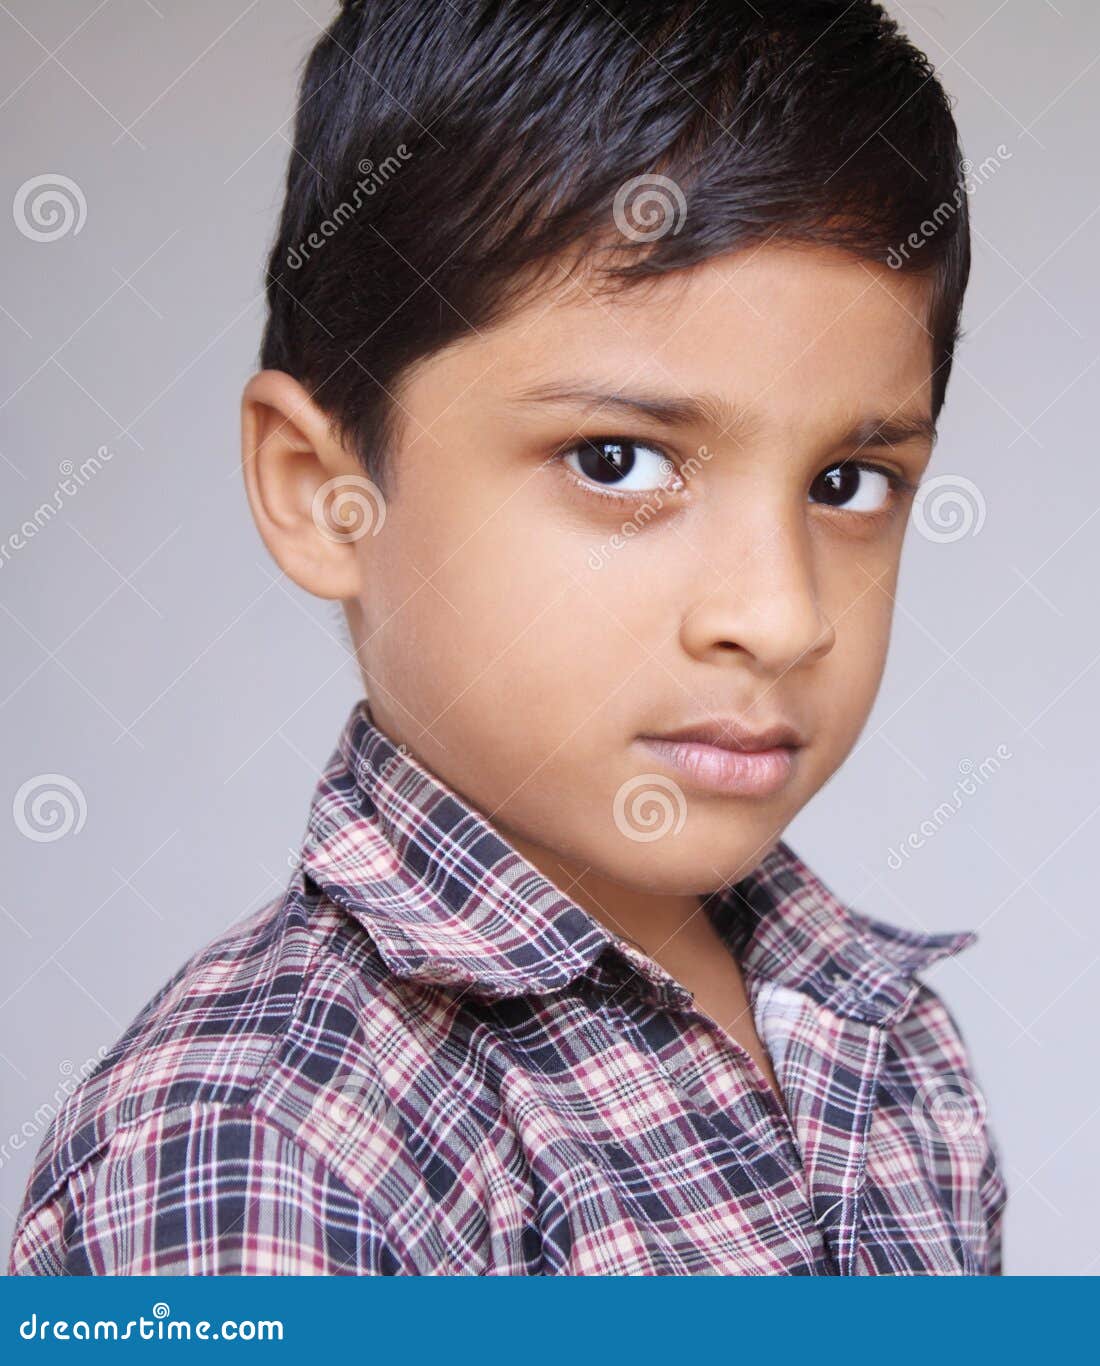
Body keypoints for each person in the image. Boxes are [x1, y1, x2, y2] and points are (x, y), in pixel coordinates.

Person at [8, 0, 1006, 1275]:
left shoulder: (884, 1037)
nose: (780, 614)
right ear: (324, 490)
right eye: (616, 459)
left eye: (848, 482)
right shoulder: (266, 1152)